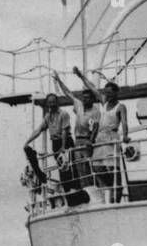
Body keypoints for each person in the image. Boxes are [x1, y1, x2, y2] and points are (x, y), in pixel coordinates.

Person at [74, 69, 129, 203]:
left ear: (116, 93)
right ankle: (111, 187)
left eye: (110, 93)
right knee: (97, 167)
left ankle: (117, 191)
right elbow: (92, 88)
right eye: (106, 93)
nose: (108, 95)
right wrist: (81, 76)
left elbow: (124, 122)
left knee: (113, 168)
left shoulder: (121, 106)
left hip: (111, 137)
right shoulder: (103, 102)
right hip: (100, 137)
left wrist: (125, 136)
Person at [53, 70, 100, 189]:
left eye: (87, 98)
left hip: (86, 140)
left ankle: (92, 188)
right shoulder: (79, 105)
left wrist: (91, 140)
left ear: (92, 99)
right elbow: (68, 92)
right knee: (79, 167)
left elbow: (95, 127)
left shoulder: (95, 111)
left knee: (87, 166)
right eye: (84, 98)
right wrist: (58, 80)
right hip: (77, 141)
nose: (85, 100)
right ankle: (85, 189)